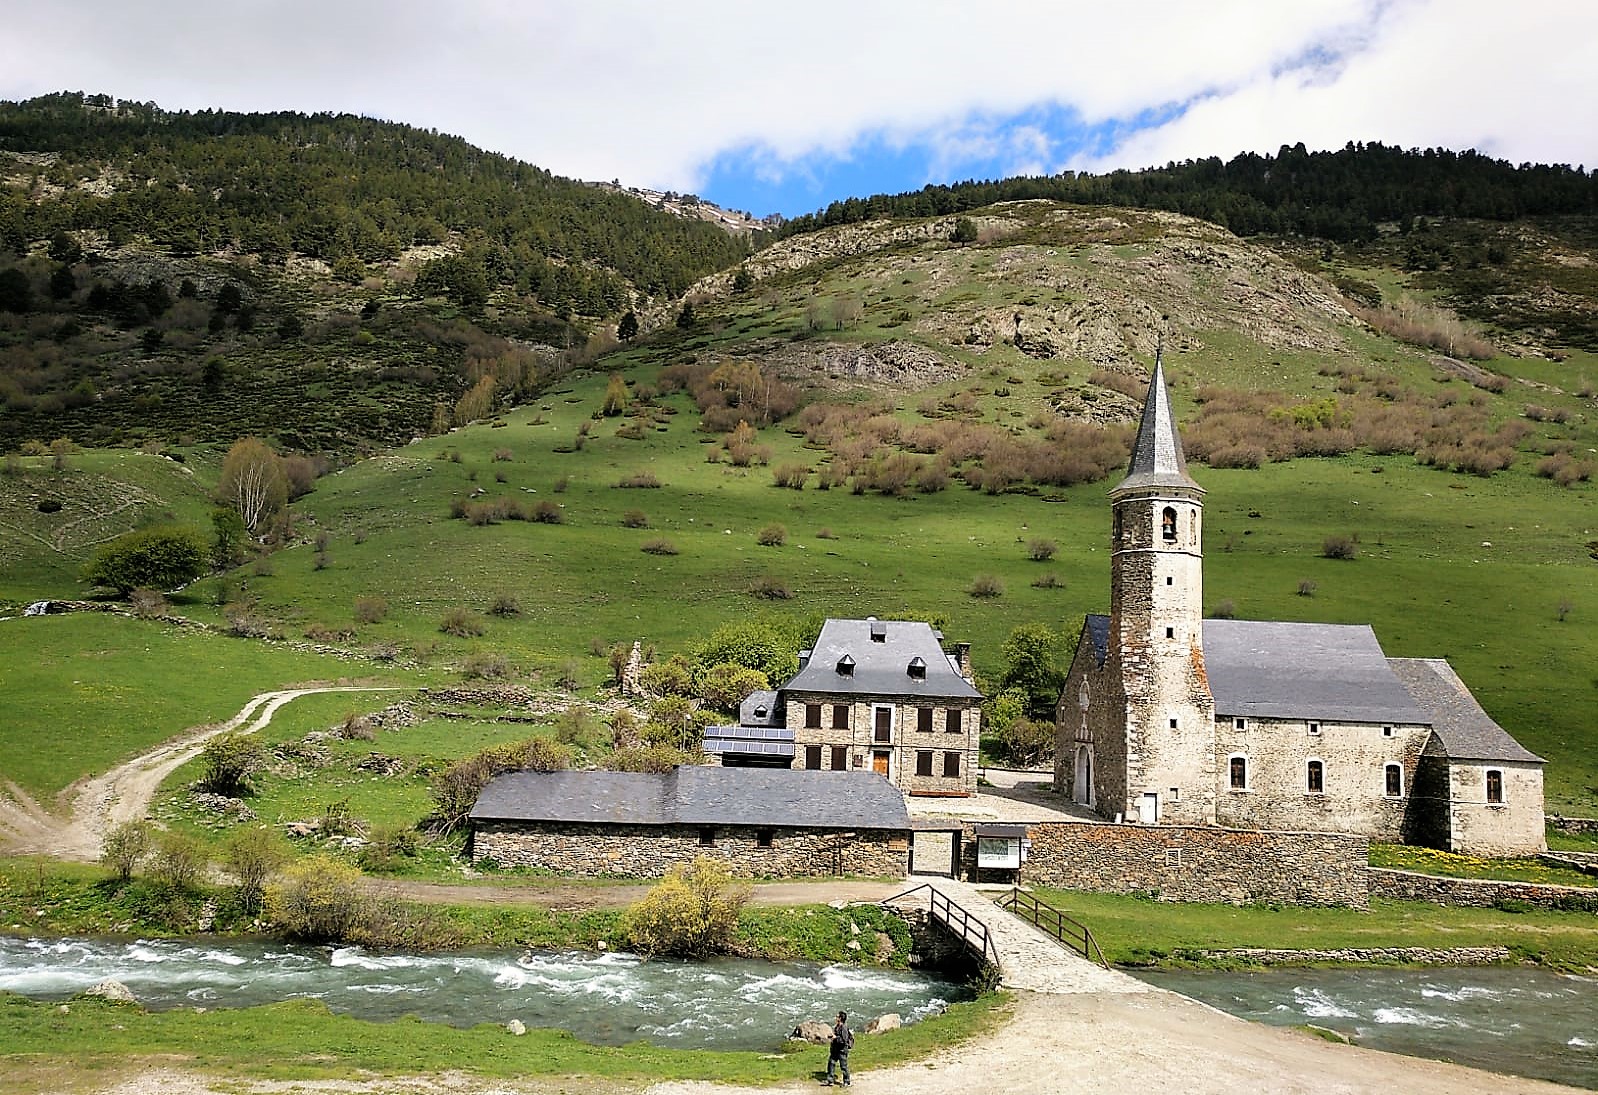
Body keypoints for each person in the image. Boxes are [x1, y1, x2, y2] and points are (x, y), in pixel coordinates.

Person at [823, 1010, 852, 1086]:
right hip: (835, 1049)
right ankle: (830, 1080)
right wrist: (831, 1036)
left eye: (837, 1016)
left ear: (840, 1018)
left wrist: (835, 1038)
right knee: (831, 1063)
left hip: (842, 1050)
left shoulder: (844, 1027)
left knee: (843, 1066)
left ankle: (847, 1081)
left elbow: (844, 1040)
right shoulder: (837, 1026)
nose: (835, 1017)